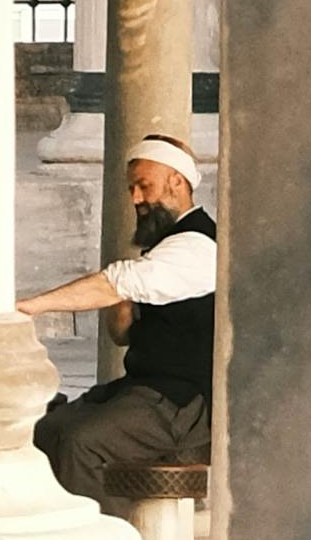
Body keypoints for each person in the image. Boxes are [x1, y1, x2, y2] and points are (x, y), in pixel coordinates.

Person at [22, 131, 216, 509]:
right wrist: (122, 297)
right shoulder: (163, 248)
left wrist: (32, 306)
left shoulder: (197, 246)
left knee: (81, 441)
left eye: (143, 186)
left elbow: (118, 280)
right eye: (132, 189)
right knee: (46, 428)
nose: (136, 199)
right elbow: (122, 334)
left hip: (183, 405)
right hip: (146, 393)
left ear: (176, 181)